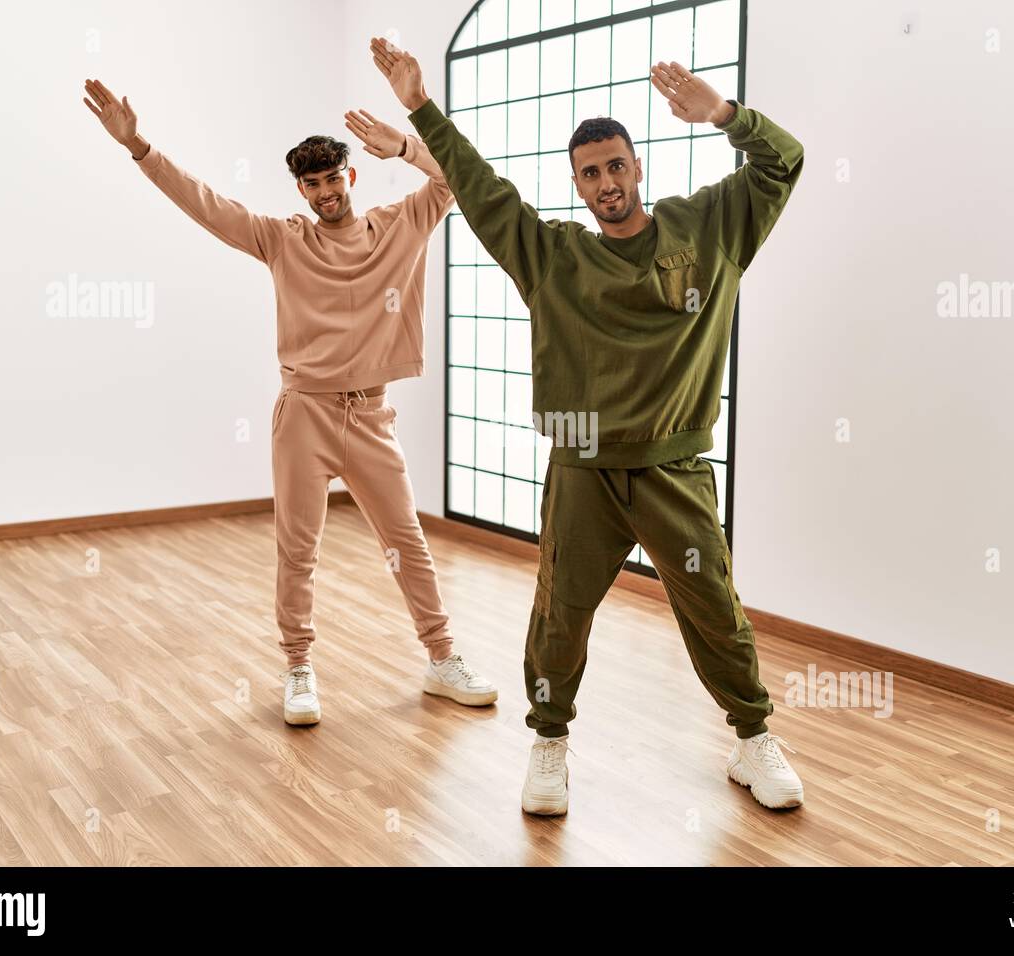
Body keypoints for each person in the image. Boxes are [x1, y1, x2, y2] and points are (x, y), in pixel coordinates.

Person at [369, 40, 804, 814]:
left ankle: (752, 738)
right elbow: (481, 188)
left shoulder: (708, 228)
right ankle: (548, 742)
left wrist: (725, 116)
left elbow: (784, 164)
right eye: (591, 172)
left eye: (616, 165)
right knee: (560, 615)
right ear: (578, 184)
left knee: (717, 612)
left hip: (675, 471)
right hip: (584, 473)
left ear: (637, 168)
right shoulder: (554, 257)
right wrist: (419, 108)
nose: (607, 181)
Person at [82, 78, 497, 726]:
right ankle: (299, 668)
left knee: (406, 541)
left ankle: (443, 659)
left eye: (333, 178)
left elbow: (461, 178)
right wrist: (139, 147)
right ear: (300, 191)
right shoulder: (283, 240)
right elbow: (208, 205)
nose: (326, 192)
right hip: (304, 413)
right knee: (297, 548)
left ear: (351, 175)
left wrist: (407, 146)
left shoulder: (402, 223)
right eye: (313, 185)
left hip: (370, 415)